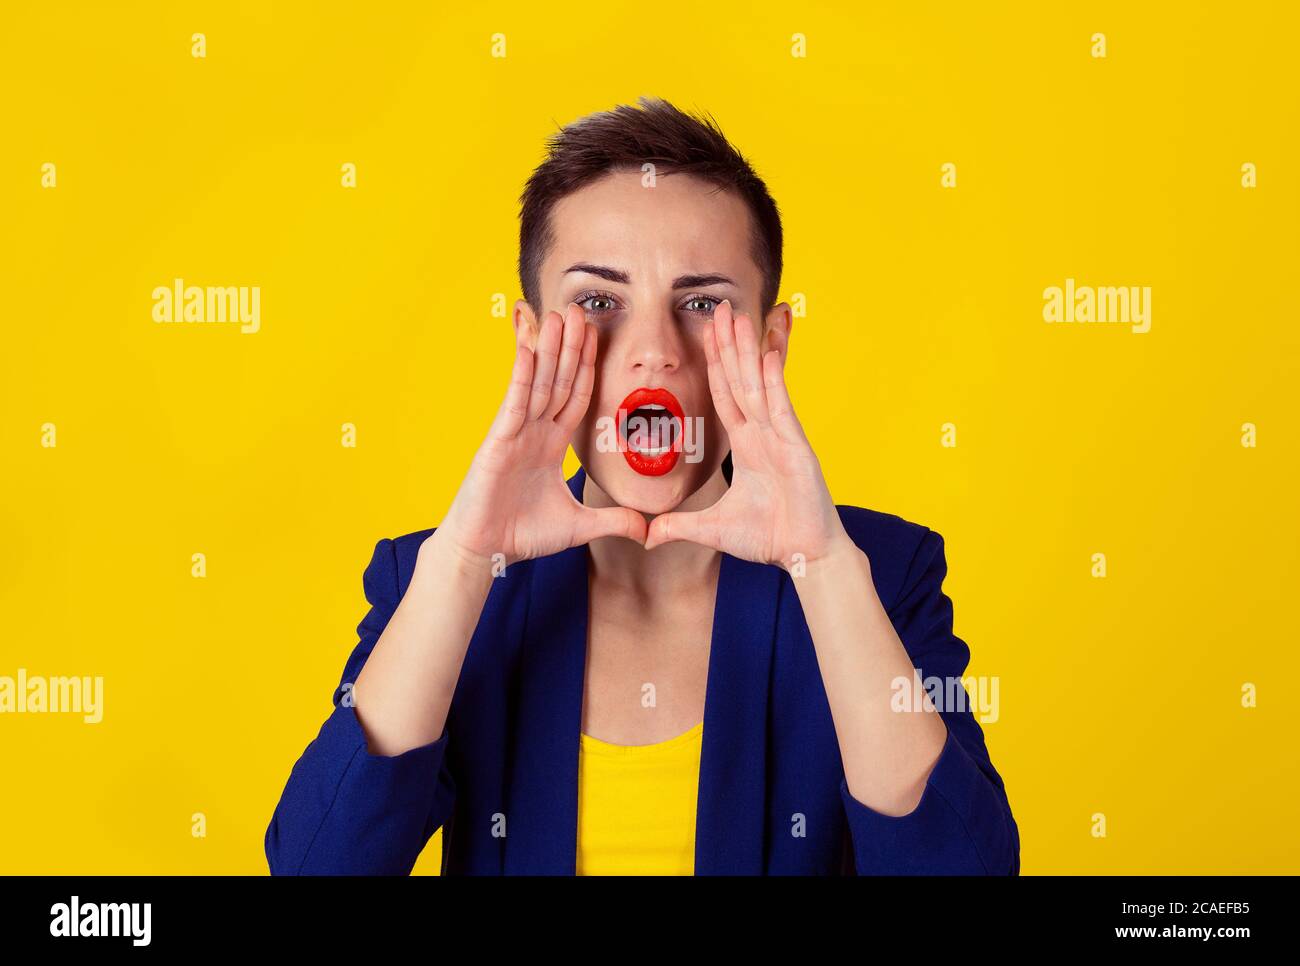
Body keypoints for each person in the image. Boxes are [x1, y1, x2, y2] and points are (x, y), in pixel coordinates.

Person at [265, 97, 1020, 875]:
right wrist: (462, 562)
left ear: (769, 342)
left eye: (701, 304)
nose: (653, 351)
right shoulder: (440, 587)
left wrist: (824, 570)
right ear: (530, 337)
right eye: (598, 302)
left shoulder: (881, 577)